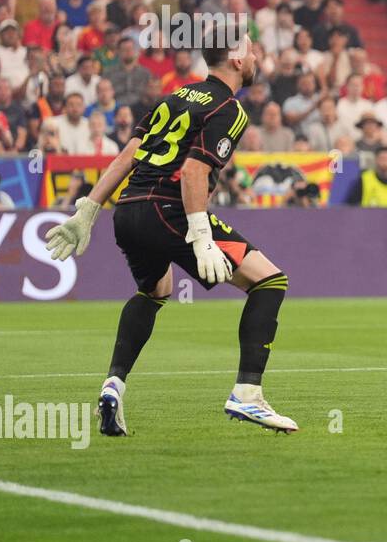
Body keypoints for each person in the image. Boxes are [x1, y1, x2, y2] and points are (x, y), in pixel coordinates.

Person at [43, 36, 298, 435]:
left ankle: (113, 385)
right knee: (270, 280)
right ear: (235, 58)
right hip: (170, 210)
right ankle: (247, 394)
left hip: (128, 211)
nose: (256, 57)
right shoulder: (229, 109)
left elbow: (127, 155)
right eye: (251, 50)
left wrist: (89, 209)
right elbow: (195, 172)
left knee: (155, 291)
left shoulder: (173, 97)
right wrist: (201, 237)